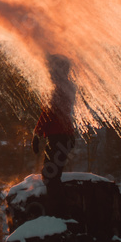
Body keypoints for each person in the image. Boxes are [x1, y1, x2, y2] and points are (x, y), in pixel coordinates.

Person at [32, 54, 77, 198]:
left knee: (51, 175)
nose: (49, 73)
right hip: (64, 136)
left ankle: (56, 211)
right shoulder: (67, 87)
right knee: (52, 174)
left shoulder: (58, 89)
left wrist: (37, 134)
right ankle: (56, 210)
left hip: (59, 137)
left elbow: (48, 113)